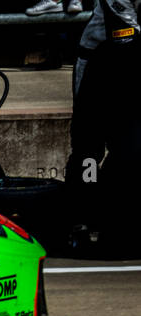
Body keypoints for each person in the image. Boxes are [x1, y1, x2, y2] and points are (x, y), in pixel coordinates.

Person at [66, 0, 141, 249]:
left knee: (129, 150)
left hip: (131, 63)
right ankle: (80, 220)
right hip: (99, 65)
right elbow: (125, 39)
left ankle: (114, 219)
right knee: (88, 151)